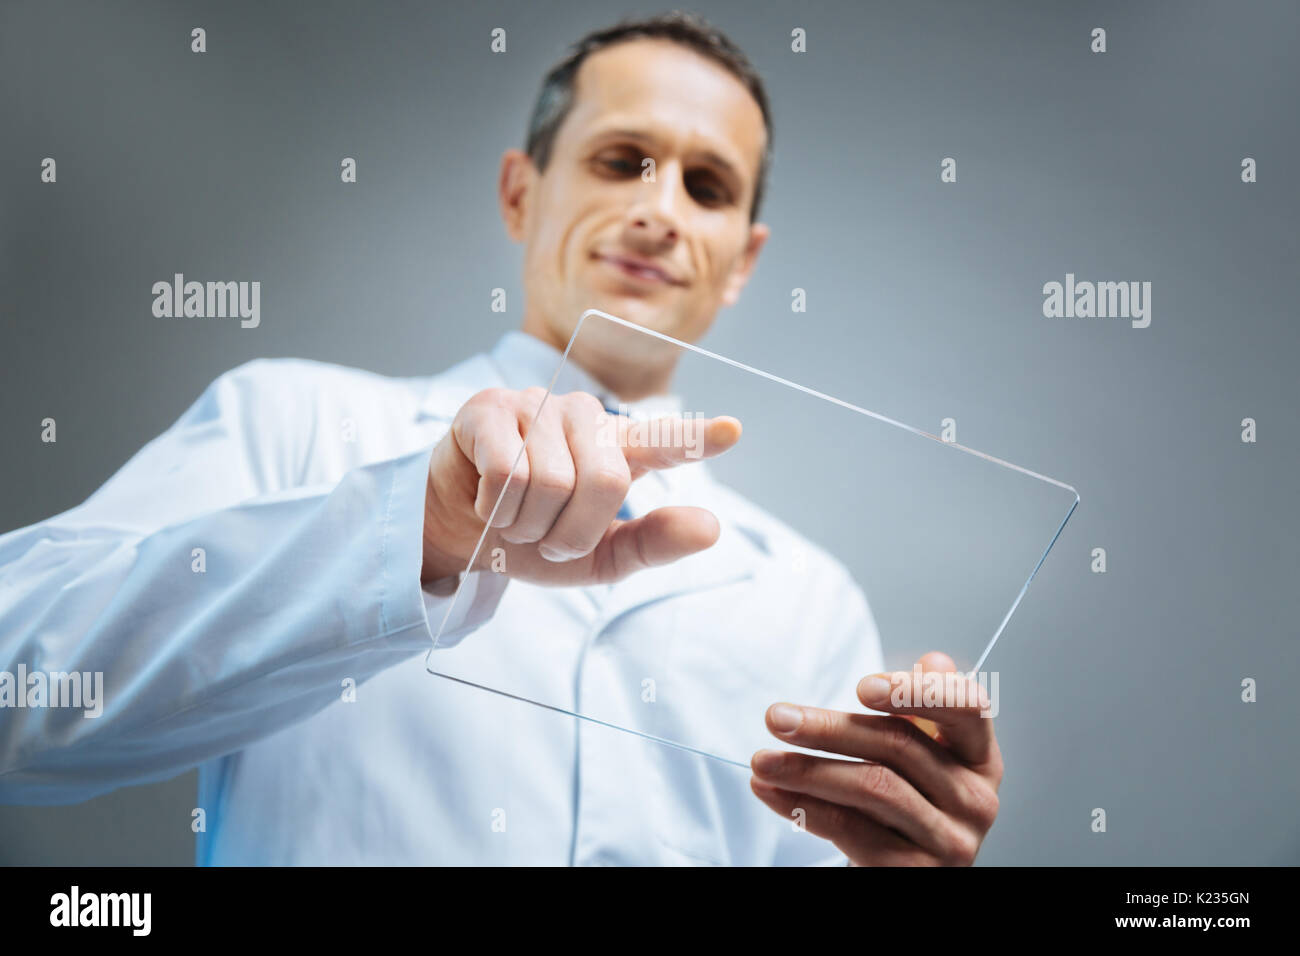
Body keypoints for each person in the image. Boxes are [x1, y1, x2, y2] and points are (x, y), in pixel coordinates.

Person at [0, 12, 1001, 865]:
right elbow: (18, 692)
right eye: (623, 161)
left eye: (706, 185)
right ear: (520, 191)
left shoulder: (809, 601)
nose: (659, 209)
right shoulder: (293, 419)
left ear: (740, 260)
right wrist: (417, 531)